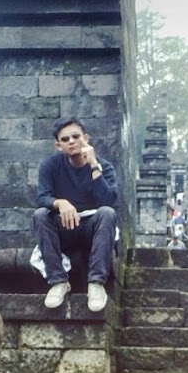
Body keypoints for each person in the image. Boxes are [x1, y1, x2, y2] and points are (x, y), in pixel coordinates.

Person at [34, 117, 118, 311]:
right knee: (40, 215)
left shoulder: (104, 166)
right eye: (65, 139)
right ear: (59, 146)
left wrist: (94, 165)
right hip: (64, 228)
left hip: (92, 230)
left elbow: (108, 201)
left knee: (107, 213)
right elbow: (42, 197)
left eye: (75, 136)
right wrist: (60, 203)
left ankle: (96, 283)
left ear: (85, 138)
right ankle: (58, 282)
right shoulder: (50, 165)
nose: (71, 141)